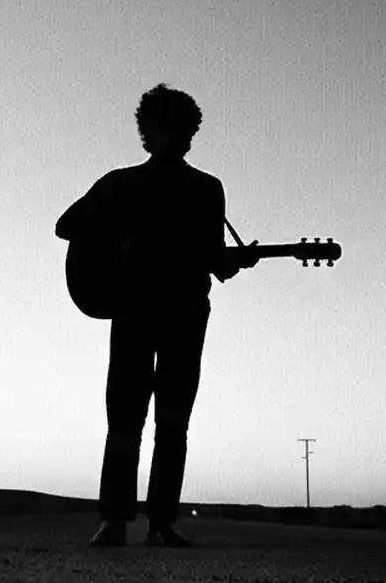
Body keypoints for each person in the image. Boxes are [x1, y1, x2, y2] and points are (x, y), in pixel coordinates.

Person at [55, 84, 257, 547]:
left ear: (191, 134)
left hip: (187, 314)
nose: (175, 138)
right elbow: (67, 226)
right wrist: (124, 244)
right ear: (148, 133)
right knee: (124, 416)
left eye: (183, 130)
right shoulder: (121, 184)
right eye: (165, 128)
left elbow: (216, 262)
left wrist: (234, 262)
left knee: (174, 418)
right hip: (134, 310)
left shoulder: (208, 191)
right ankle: (113, 521)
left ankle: (162, 521)